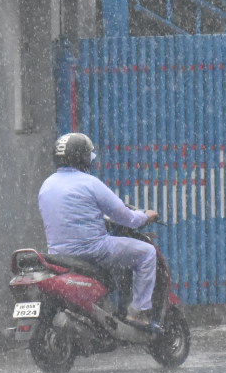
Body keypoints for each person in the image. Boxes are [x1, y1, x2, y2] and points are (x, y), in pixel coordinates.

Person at [37, 131, 162, 328]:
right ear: (83, 157)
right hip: (93, 250)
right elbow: (125, 217)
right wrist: (145, 216)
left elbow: (68, 216)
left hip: (59, 255)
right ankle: (137, 313)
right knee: (147, 253)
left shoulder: (46, 185)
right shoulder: (90, 183)